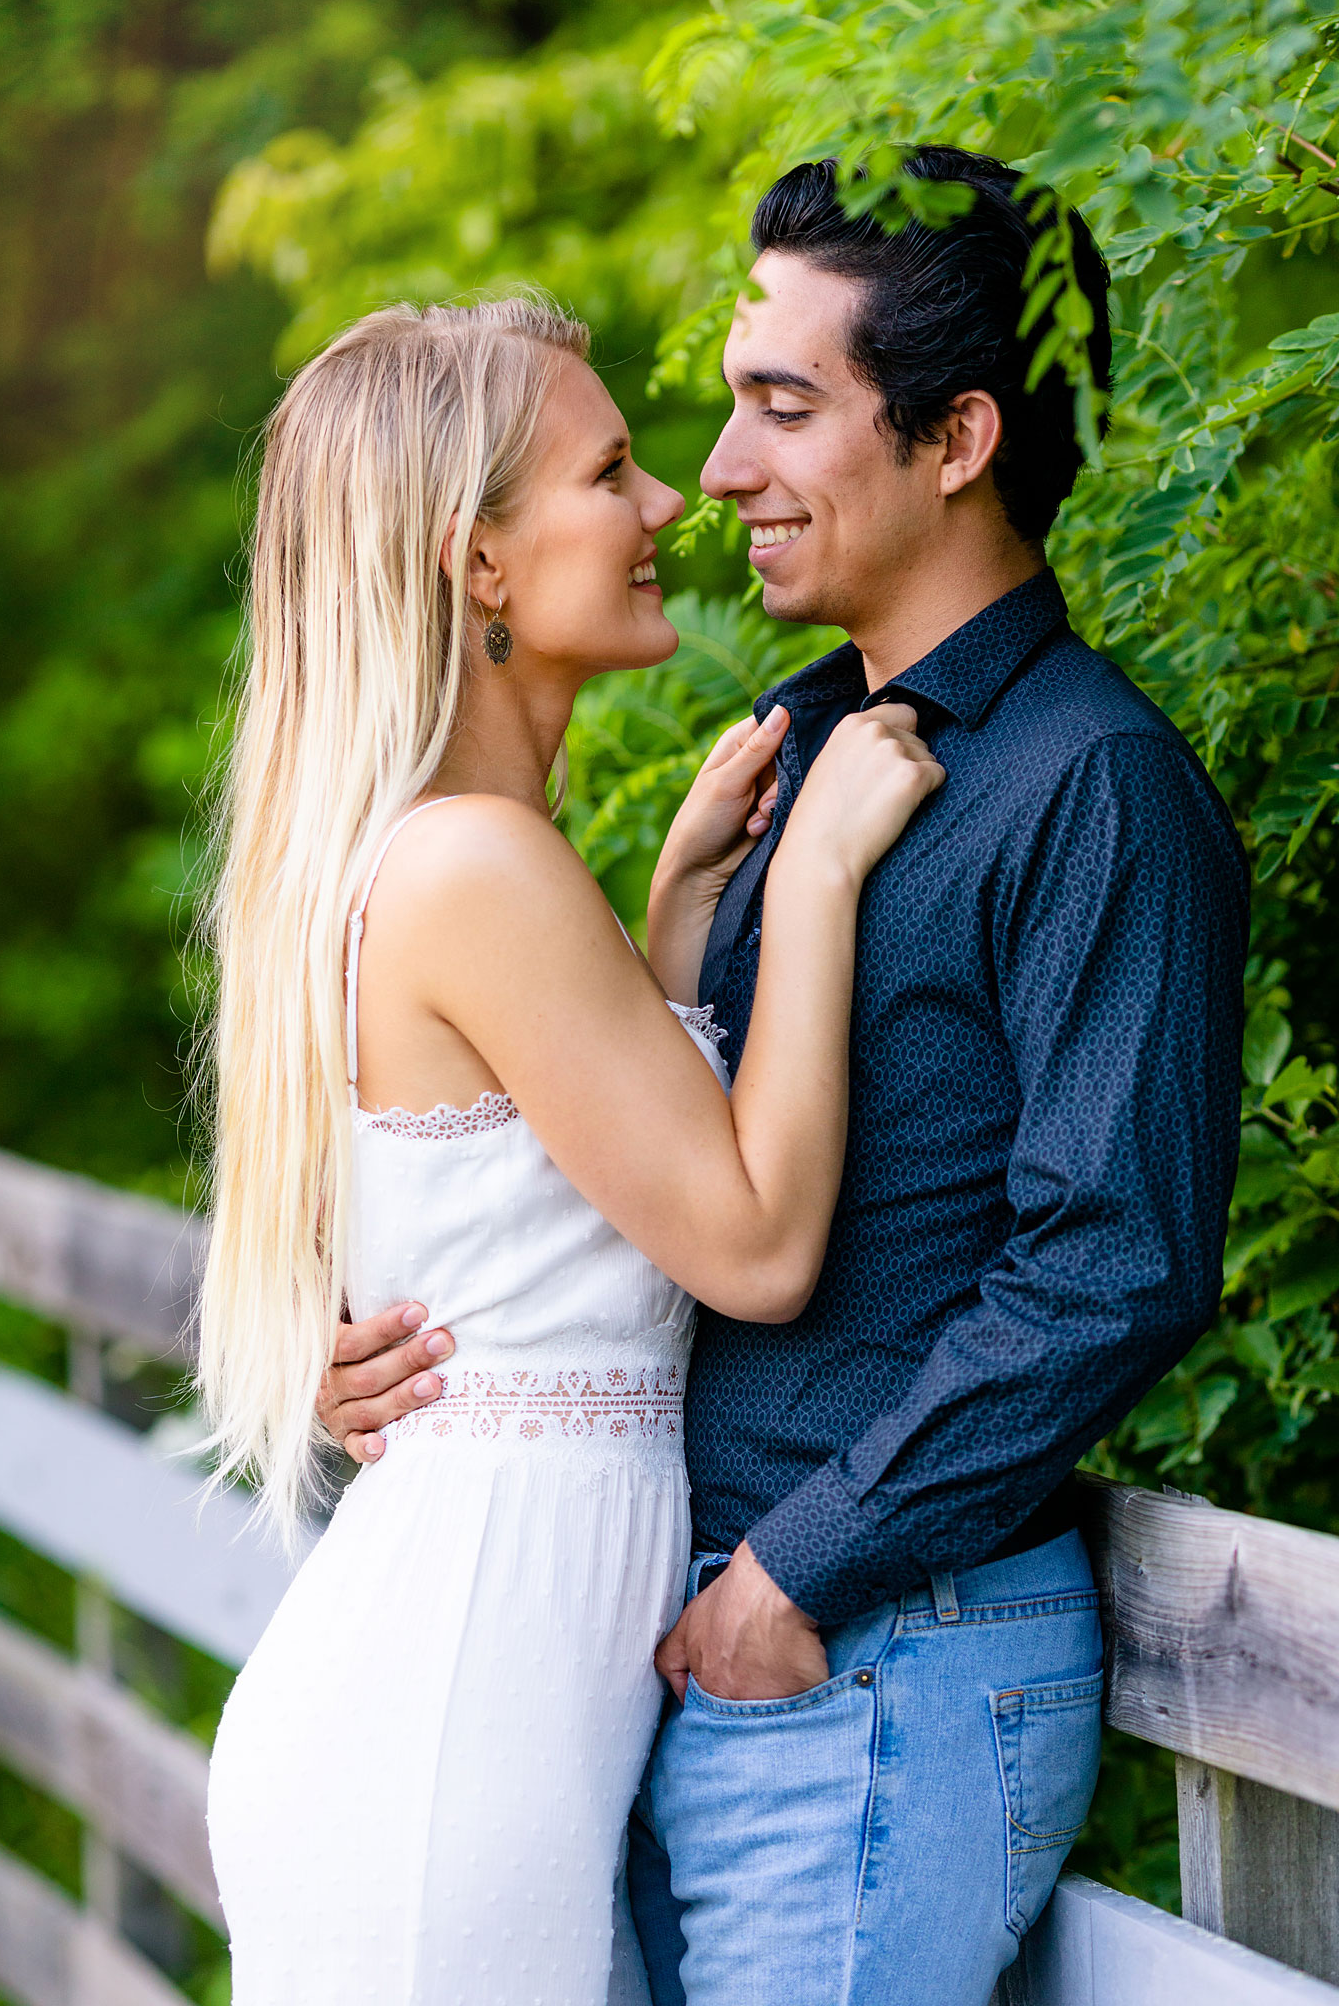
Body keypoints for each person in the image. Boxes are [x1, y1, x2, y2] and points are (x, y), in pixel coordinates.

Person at [323, 150, 1250, 2006]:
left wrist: (799, 1572)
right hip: (684, 1662)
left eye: (781, 408)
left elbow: (1111, 1264)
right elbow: (663, 1183)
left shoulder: (1092, 787)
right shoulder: (793, 764)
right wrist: (401, 1358)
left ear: (958, 437)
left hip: (864, 1657)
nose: (721, 471)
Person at [201, 292, 942, 2006]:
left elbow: (572, 1213)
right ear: (477, 565)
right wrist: (819, 872)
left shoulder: (450, 858)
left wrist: (678, 911)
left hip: (464, 1721)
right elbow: (748, 1244)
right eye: (610, 470)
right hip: (446, 1744)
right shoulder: (475, 866)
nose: (673, 502)